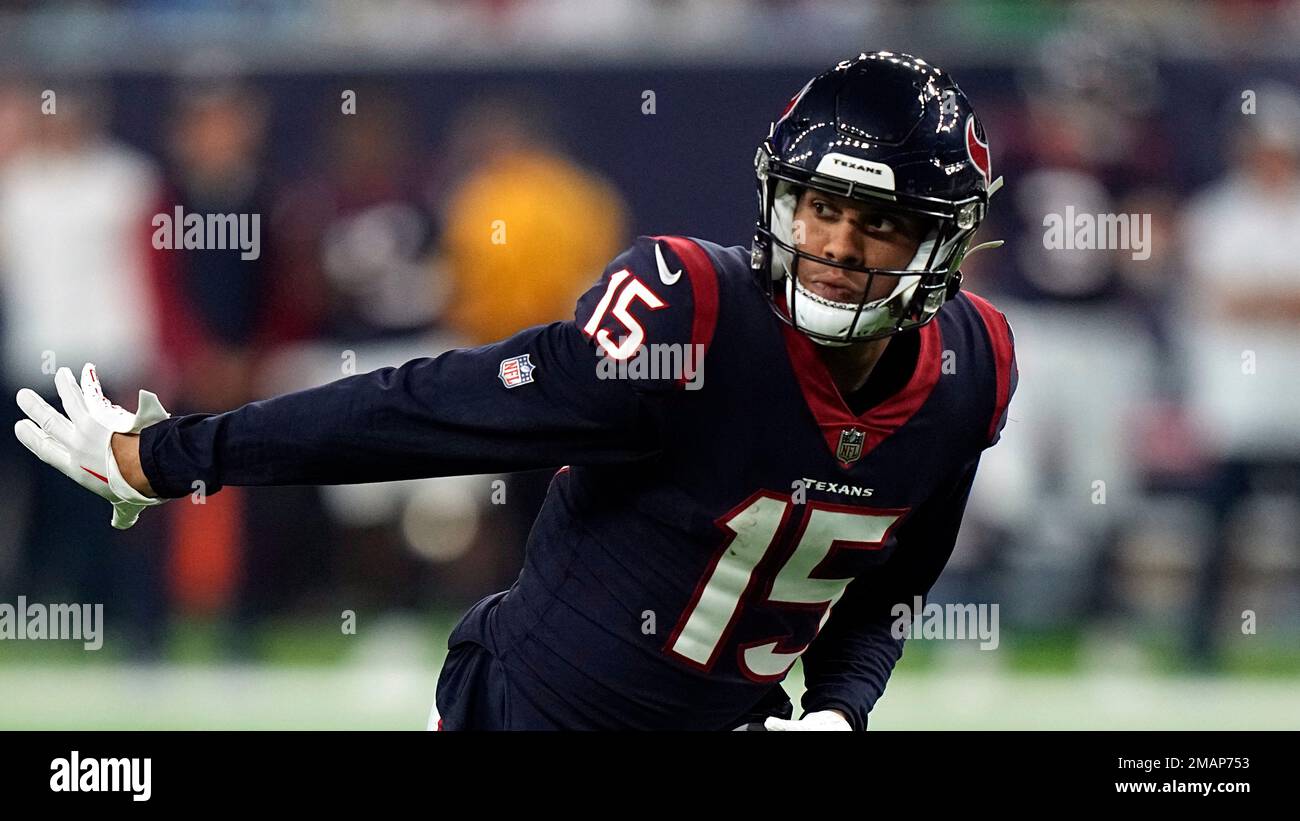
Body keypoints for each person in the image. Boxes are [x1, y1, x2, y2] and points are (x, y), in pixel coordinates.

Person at [13, 52, 1017, 731]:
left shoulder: (969, 369)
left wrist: (839, 707)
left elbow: (889, 582)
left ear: (945, 238)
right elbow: (432, 408)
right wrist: (174, 454)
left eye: (879, 222)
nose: (837, 247)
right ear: (778, 200)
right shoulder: (695, 311)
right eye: (820, 208)